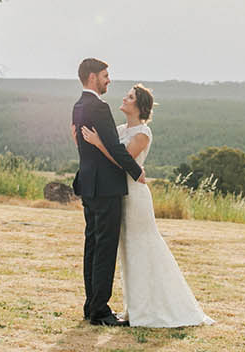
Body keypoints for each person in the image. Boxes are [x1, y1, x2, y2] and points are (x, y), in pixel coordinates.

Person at [78, 83, 214, 328]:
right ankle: (135, 307)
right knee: (127, 251)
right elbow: (112, 155)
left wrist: (99, 144)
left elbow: (123, 162)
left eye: (130, 97)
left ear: (140, 106)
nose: (124, 98)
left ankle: (156, 306)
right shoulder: (119, 129)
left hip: (135, 197)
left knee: (142, 246)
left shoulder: (142, 133)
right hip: (116, 193)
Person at [72, 57, 146, 327]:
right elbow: (114, 148)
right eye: (105, 75)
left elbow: (83, 145)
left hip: (89, 185)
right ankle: (101, 311)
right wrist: (136, 172)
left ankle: (91, 305)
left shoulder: (78, 106)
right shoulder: (99, 108)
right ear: (93, 77)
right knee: (104, 248)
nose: (108, 80)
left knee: (92, 245)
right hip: (105, 188)